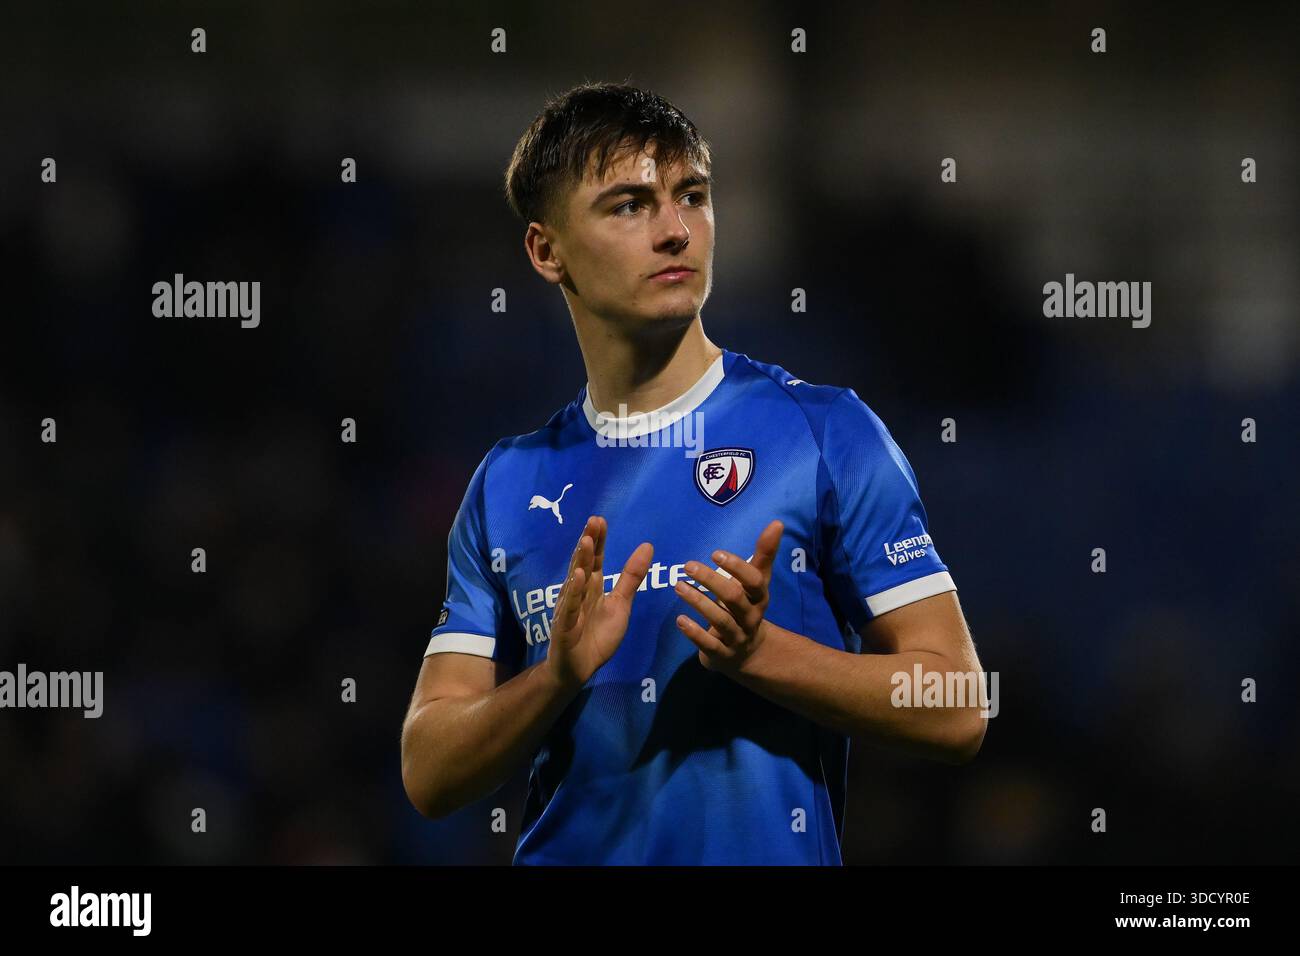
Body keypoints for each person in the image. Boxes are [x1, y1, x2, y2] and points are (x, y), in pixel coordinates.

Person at [400, 82, 986, 865]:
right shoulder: (507, 483)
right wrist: (554, 679)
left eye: (693, 196)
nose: (676, 231)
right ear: (547, 251)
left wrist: (760, 656)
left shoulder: (823, 433)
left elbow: (959, 703)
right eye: (630, 205)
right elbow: (429, 770)